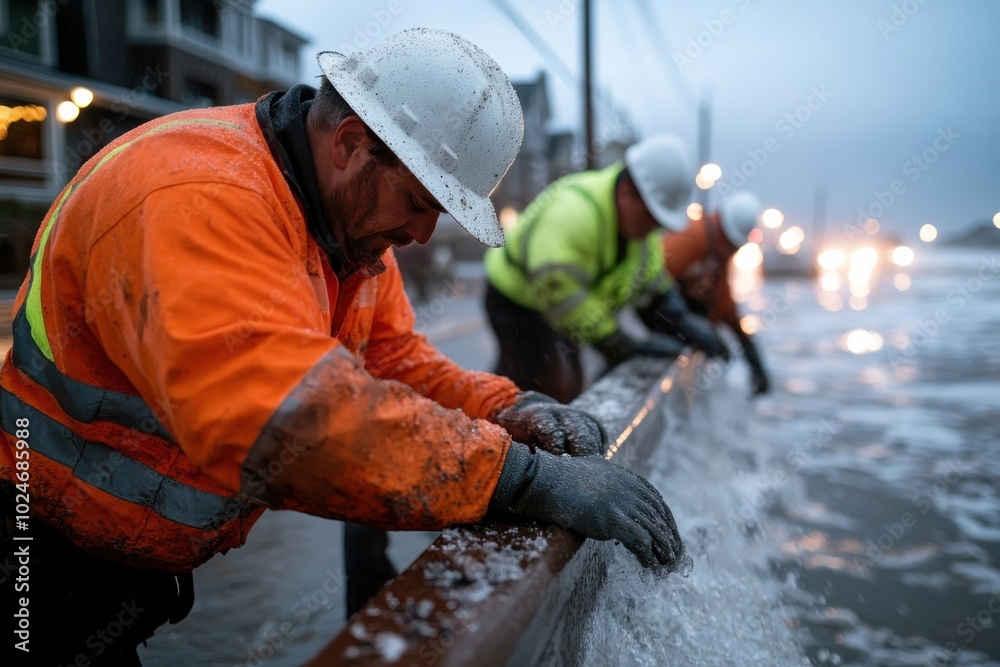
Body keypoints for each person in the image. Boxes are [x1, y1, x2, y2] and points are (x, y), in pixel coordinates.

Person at [0, 28, 688, 664]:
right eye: (418, 203)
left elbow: (395, 364)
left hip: (116, 572)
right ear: (350, 142)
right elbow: (288, 419)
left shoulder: (347, 234)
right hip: (35, 554)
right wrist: (523, 478)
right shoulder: (201, 196)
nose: (422, 235)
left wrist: (512, 408)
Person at [483, 135, 729, 403]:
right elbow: (557, 290)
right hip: (516, 300)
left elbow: (652, 288)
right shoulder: (575, 213)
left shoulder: (641, 235)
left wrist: (685, 326)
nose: (654, 229)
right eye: (651, 217)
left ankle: (491, 407)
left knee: (566, 389)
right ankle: (489, 429)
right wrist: (618, 343)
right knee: (545, 387)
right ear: (626, 193)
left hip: (553, 302)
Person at [643, 190, 771, 395]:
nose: (731, 249)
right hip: (651, 315)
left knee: (715, 343)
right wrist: (688, 326)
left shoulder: (718, 254)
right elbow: (652, 284)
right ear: (720, 226)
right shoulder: (691, 237)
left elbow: (723, 304)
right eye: (729, 243)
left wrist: (751, 355)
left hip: (674, 316)